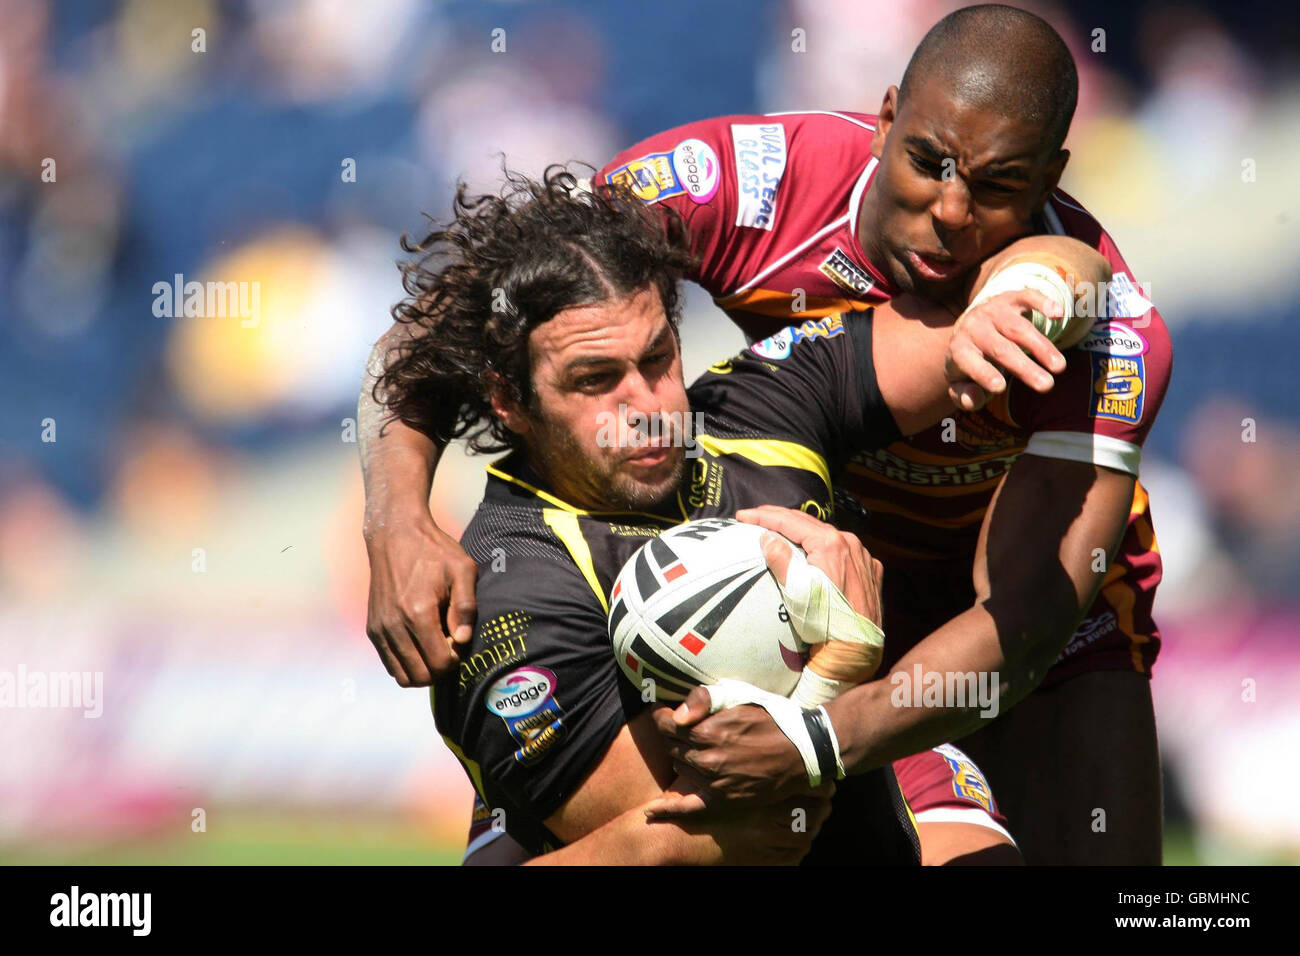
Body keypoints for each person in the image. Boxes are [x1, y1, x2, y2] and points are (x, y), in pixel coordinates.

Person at [362, 5, 1171, 864]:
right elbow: (487, 301)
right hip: (808, 576)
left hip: (1011, 599)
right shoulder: (749, 186)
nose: (951, 210)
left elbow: (1027, 620)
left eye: (1000, 185)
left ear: (1054, 176)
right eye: (928, 162)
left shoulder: (1114, 338)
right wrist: (396, 517)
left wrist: (820, 730)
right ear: (885, 118)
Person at [383, 170, 1062, 863]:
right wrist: (844, 660)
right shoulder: (510, 592)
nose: (646, 406)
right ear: (508, 400)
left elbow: (1065, 280)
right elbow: (744, 834)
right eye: (594, 380)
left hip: (862, 787)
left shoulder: (761, 405)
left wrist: (1032, 288)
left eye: (658, 359)